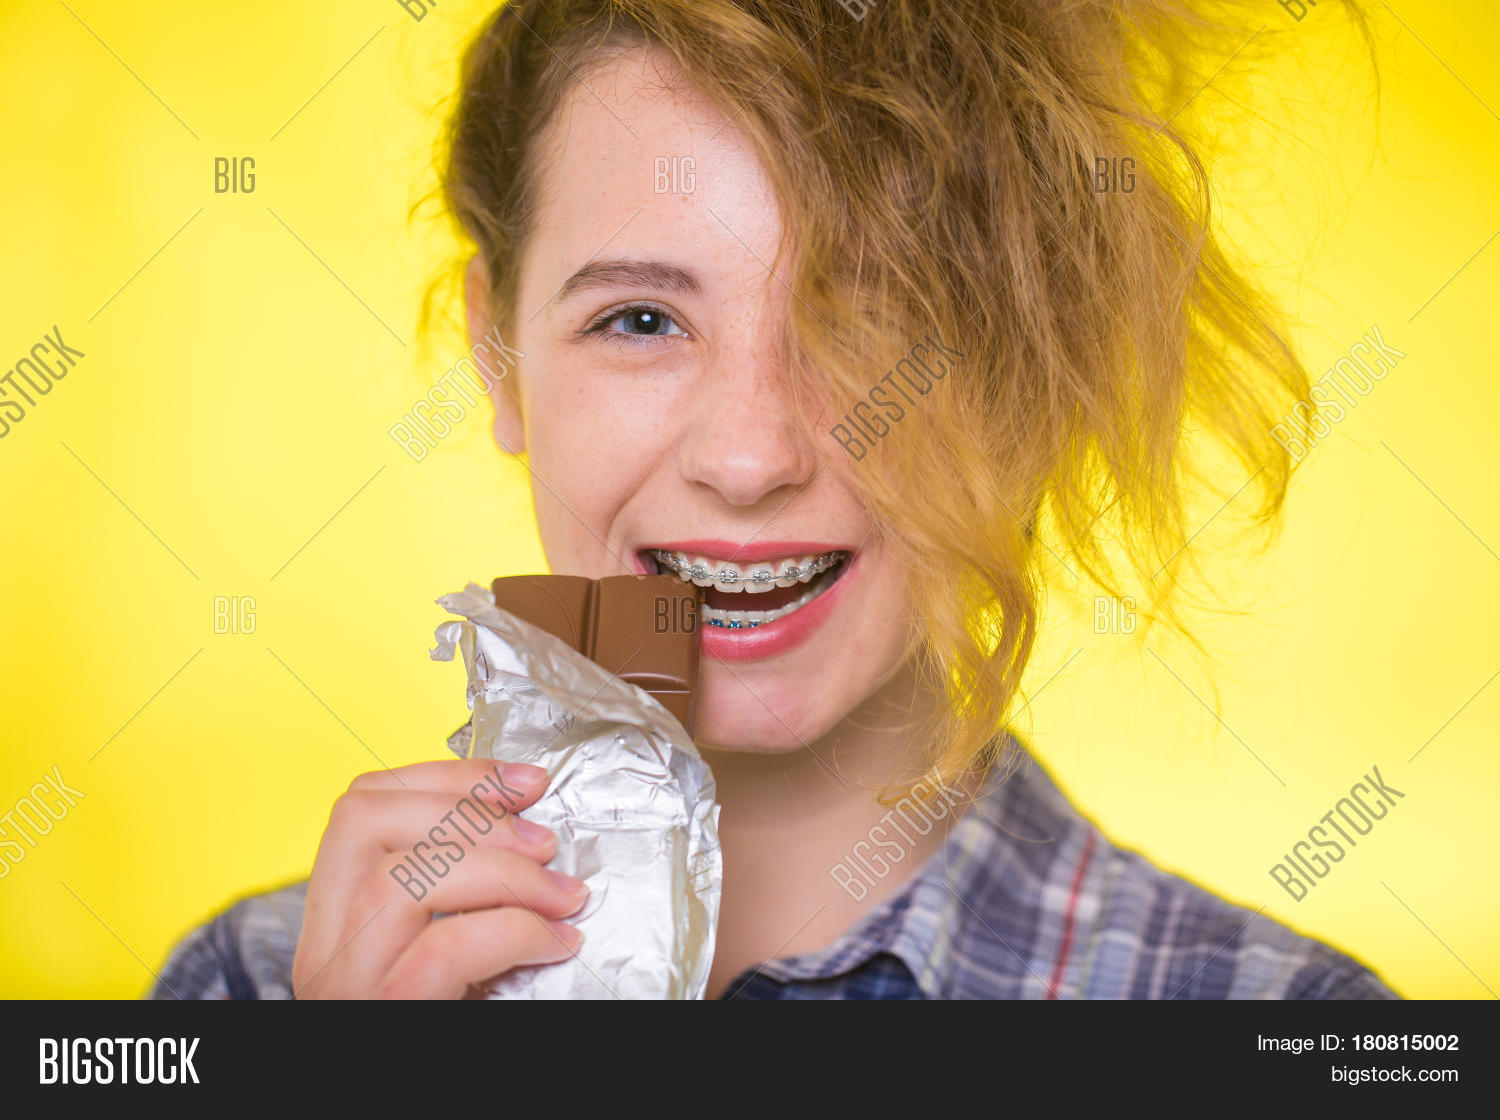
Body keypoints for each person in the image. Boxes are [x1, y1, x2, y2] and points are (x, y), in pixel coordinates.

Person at [153, 0, 1394, 999]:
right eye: (640, 319)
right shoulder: (250, 992)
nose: (751, 457)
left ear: (1030, 365)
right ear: (499, 354)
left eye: (870, 318)